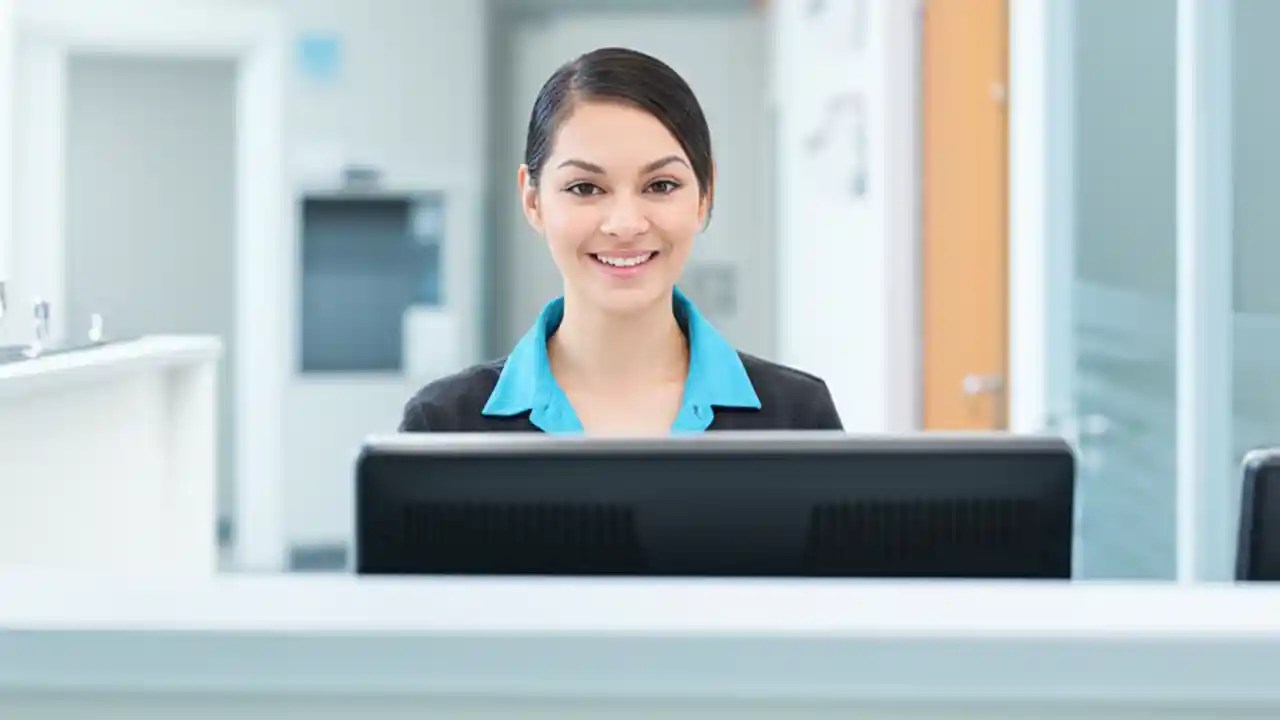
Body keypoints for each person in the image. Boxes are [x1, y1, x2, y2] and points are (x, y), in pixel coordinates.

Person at [400, 47, 842, 435]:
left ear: (705, 195)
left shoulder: (798, 417)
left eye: (661, 185)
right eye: (585, 188)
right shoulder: (442, 425)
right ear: (532, 200)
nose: (626, 224)